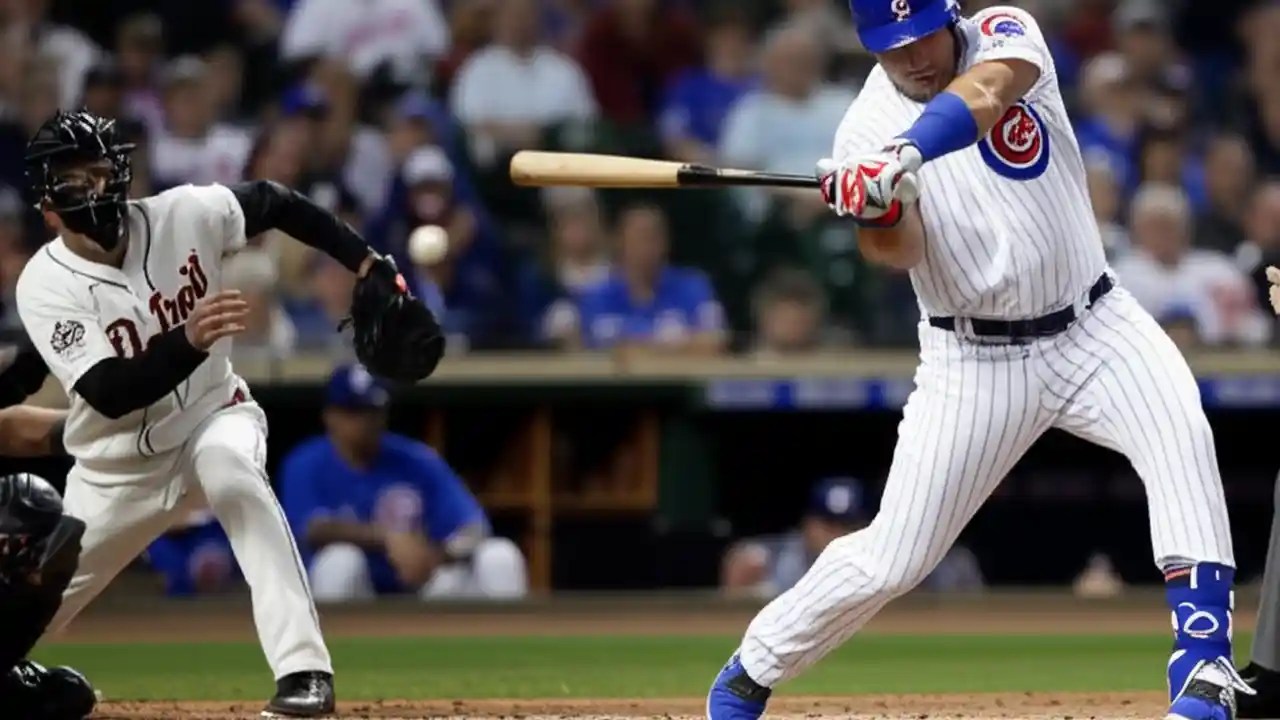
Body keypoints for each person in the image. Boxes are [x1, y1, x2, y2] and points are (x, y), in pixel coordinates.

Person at [705, 4, 1247, 720]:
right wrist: (876, 207)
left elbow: (988, 93)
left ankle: (1203, 667)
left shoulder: (1004, 31)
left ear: (948, 15)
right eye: (892, 46)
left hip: (1096, 323)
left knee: (1181, 434)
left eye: (923, 33)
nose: (914, 56)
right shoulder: (862, 128)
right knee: (896, 555)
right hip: (973, 358)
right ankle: (749, 672)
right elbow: (896, 255)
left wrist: (906, 154)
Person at [15, 109, 440, 717]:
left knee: (231, 473)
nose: (95, 188)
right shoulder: (45, 284)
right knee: (33, 601)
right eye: (74, 178)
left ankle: (304, 673)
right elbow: (110, 390)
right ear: (48, 203)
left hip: (216, 415)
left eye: (101, 171)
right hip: (117, 470)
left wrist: (366, 262)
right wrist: (186, 341)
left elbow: (278, 202)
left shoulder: (184, 213)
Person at [280, 363, 528, 602]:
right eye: (355, 412)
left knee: (500, 556)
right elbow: (312, 528)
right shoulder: (306, 462)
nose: (367, 422)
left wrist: (436, 555)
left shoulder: (415, 459)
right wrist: (388, 537)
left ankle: (513, 643)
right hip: (358, 590)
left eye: (373, 411)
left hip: (423, 586)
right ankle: (330, 645)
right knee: (340, 561)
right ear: (330, 415)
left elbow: (473, 527)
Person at [721, 478, 983, 599]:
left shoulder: (902, 559)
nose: (838, 536)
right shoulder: (770, 558)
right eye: (828, 525)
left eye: (848, 525)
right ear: (808, 525)